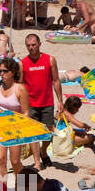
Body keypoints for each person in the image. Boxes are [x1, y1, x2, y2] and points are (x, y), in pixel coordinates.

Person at [20, 34, 62, 168]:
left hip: (47, 102)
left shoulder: (50, 60)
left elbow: (56, 80)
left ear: (39, 44)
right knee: (34, 134)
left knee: (48, 132)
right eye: (28, 46)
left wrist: (60, 101)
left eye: (33, 45)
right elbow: (20, 85)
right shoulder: (22, 63)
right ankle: (37, 162)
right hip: (30, 104)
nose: (31, 48)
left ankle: (44, 151)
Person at [0, 57, 29, 177]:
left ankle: (21, 184)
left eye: (5, 71)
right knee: (1, 159)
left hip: (15, 129)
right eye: (0, 71)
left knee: (15, 161)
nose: (2, 74)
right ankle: (3, 188)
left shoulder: (20, 89)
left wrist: (24, 134)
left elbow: (25, 113)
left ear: (13, 72)